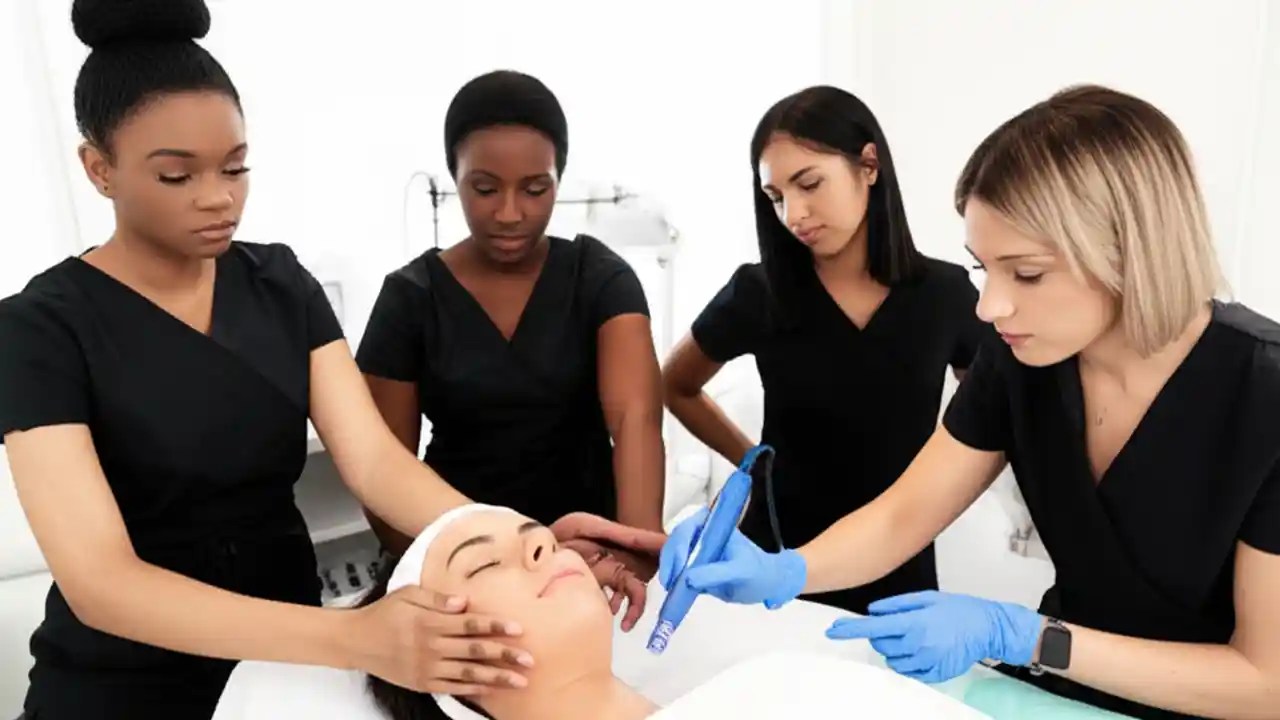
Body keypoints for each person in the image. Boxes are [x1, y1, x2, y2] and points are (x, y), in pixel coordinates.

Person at [0, 4, 661, 718]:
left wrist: (514, 540)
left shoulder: (280, 286)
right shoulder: (38, 329)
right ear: (99, 169)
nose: (219, 197)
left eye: (235, 166)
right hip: (124, 685)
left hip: (291, 666)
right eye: (176, 177)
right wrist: (355, 636)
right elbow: (103, 583)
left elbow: (375, 462)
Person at [659, 84, 1280, 719]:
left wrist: (1027, 637)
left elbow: (1266, 683)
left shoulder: (1264, 390)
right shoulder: (1022, 362)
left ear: (1131, 249)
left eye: (1027, 274)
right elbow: (905, 516)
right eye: (984, 269)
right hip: (1053, 691)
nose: (988, 308)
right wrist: (784, 570)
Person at [661, 85, 984, 614]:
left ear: (869, 164)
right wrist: (751, 459)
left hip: (897, 562)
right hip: (775, 555)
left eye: (809, 184)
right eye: (777, 197)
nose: (794, 214)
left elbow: (992, 416)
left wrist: (938, 478)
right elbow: (675, 384)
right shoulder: (759, 293)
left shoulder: (946, 296)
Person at [355, 70, 667, 556]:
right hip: (460, 561)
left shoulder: (599, 279)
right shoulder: (409, 297)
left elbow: (636, 421)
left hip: (589, 559)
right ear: (454, 177)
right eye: (484, 189)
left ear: (558, 180)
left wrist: (635, 554)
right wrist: (465, 564)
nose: (509, 213)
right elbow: (380, 469)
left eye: (535, 189)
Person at [354, 505, 989, 720]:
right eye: (483, 564)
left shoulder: (769, 685)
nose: (543, 543)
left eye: (532, 535)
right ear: (441, 665)